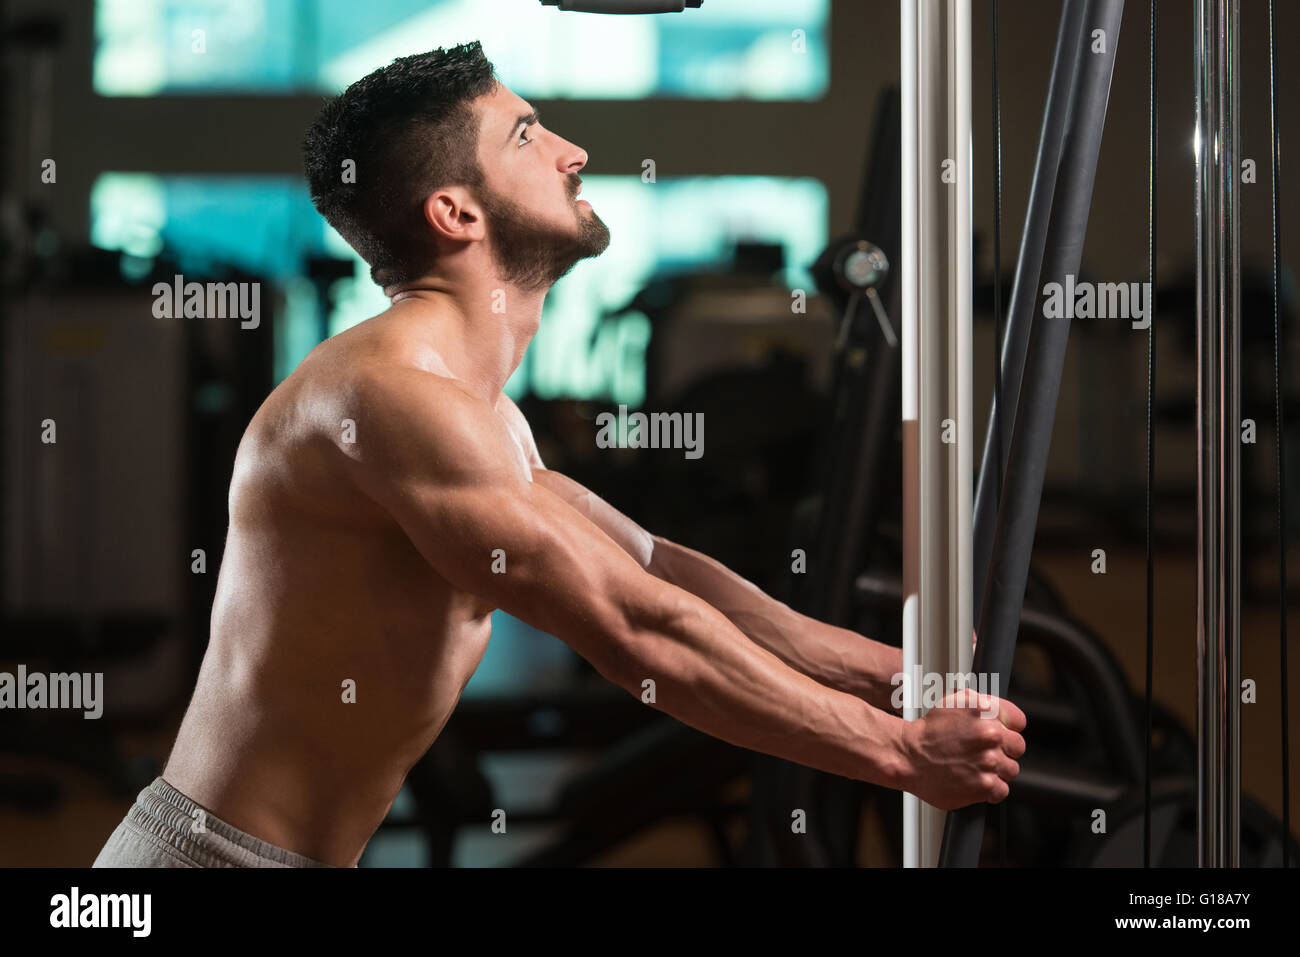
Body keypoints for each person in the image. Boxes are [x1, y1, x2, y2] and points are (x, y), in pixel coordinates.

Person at [93, 41, 1024, 869]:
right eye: (529, 136)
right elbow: (637, 629)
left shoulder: (475, 409)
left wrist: (890, 674)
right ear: (456, 212)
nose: (574, 152)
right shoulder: (387, 397)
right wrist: (899, 753)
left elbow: (657, 566)